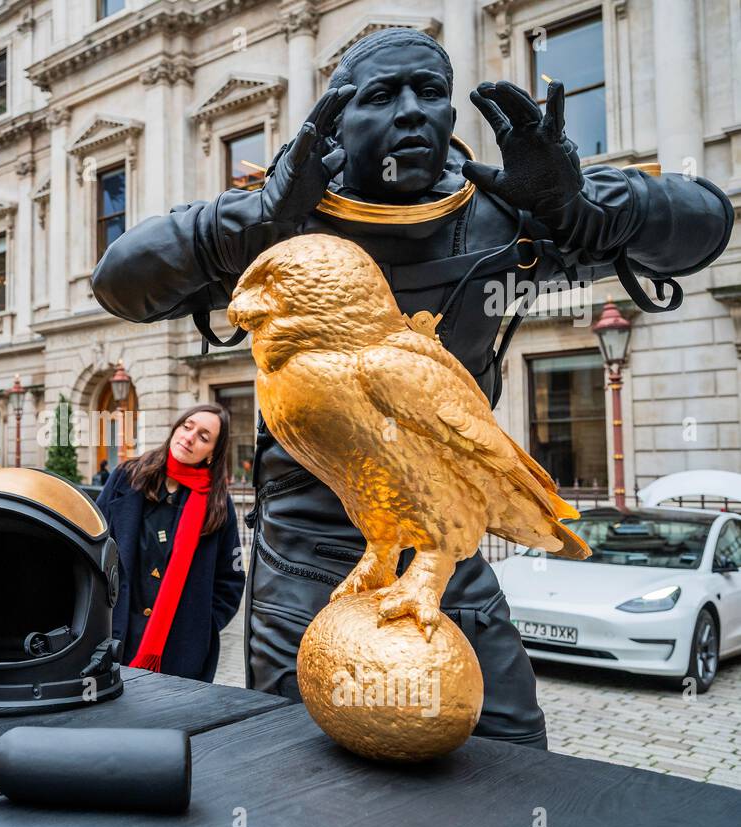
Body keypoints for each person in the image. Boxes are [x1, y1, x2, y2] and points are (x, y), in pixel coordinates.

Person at [92, 28, 735, 748]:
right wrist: (254, 218)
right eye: (381, 94)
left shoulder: (501, 217)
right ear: (339, 119)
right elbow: (119, 282)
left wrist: (579, 207)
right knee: (291, 760)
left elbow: (707, 225)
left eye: (429, 92)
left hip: (446, 538)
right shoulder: (282, 222)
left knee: (511, 744)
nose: (410, 111)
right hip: (308, 548)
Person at [97, 403, 245, 681]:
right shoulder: (126, 477)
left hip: (180, 652)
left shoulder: (217, 504)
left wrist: (202, 626)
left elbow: (231, 582)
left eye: (203, 437)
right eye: (187, 427)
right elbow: (92, 544)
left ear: (213, 452)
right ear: (176, 428)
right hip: (113, 636)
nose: (189, 437)